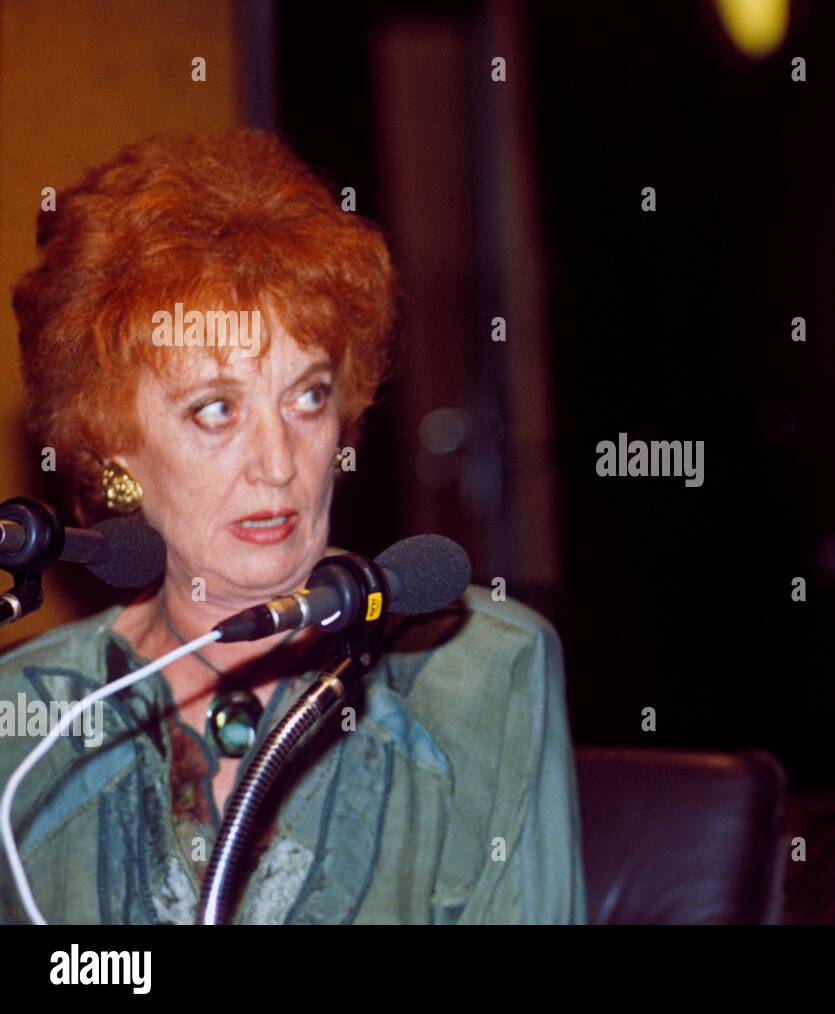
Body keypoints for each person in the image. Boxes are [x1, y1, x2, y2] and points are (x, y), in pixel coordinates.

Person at [0, 128, 586, 924]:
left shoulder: (482, 672)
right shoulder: (28, 714)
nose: (278, 464)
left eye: (308, 397)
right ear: (112, 450)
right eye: (216, 410)